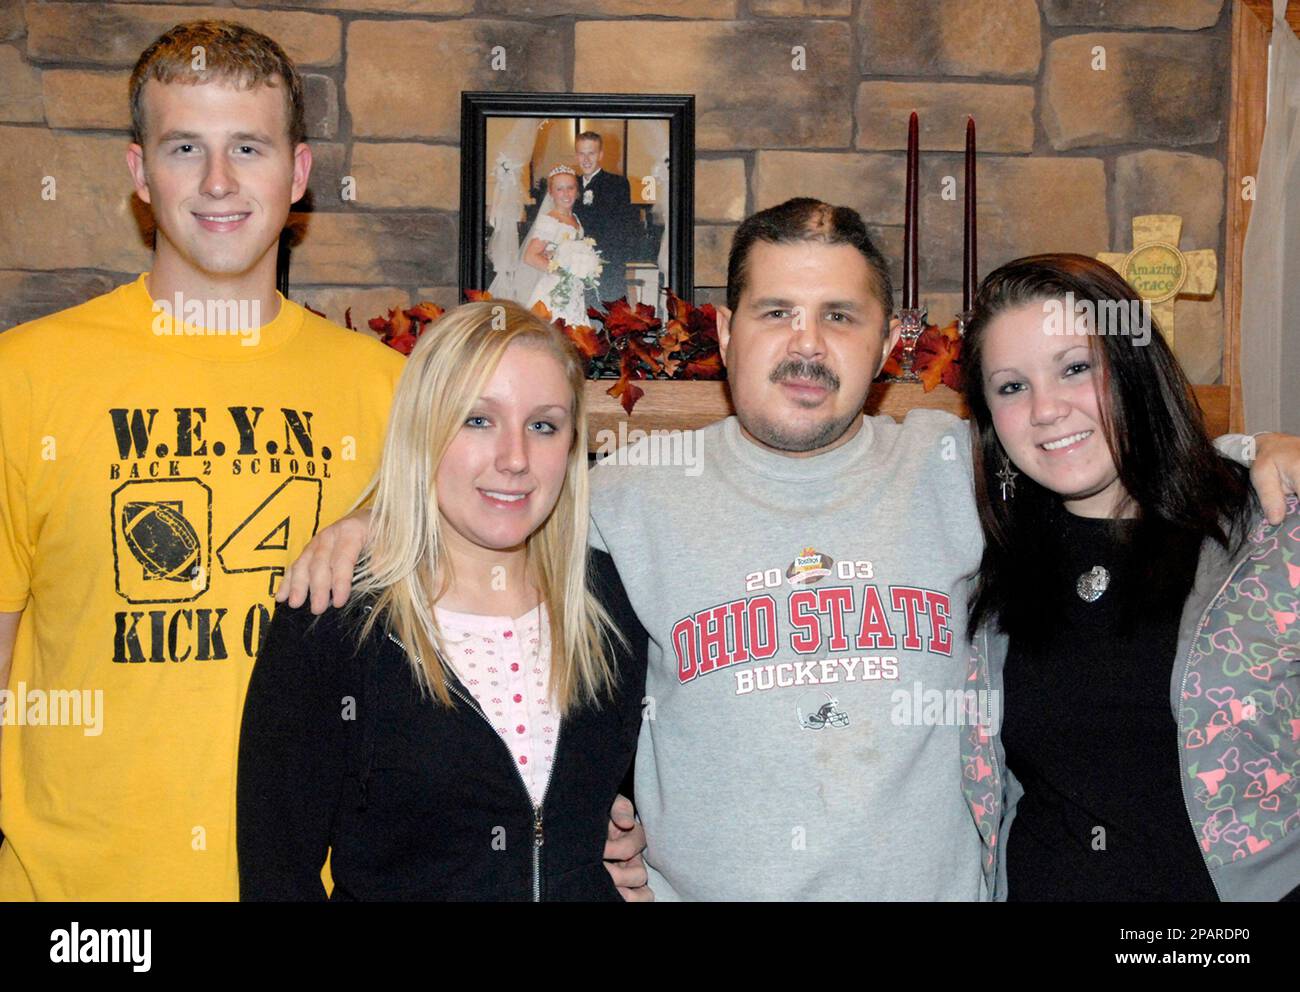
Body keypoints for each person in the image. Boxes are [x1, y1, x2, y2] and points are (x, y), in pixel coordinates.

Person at [279, 199, 1300, 901]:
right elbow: (492, 482)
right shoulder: (627, 492)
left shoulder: (960, 469)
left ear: (891, 341)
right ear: (725, 332)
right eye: (775, 312)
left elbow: (1112, 447)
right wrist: (374, 516)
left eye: (838, 317)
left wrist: (1264, 452)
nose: (805, 345)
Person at [0, 18, 646, 901]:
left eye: (250, 148)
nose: (219, 181)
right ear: (138, 172)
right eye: (185, 145)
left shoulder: (399, 397)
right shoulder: (23, 380)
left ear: (299, 174)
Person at [238, 301, 648, 901]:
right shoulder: (332, 617)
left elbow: (633, 807)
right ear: (423, 430)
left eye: (543, 425)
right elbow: (277, 876)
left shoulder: (614, 603)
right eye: (478, 421)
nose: (514, 459)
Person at [959, 253, 1300, 902]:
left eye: (1076, 368)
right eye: (1011, 387)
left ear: (1134, 366)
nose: (1046, 409)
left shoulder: (1270, 528)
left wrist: (1259, 450)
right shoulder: (986, 556)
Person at [517, 166, 596, 327]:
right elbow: (530, 256)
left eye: (570, 188)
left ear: (577, 191)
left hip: (573, 288)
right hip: (556, 289)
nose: (566, 194)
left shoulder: (575, 218)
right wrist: (562, 272)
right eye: (560, 189)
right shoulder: (550, 221)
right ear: (551, 193)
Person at [572, 132, 639, 308]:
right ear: (576, 155)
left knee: (607, 321)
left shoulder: (617, 184)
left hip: (607, 268)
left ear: (600, 155)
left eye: (591, 153)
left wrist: (599, 259)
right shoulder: (570, 185)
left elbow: (623, 228)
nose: (586, 159)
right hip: (574, 267)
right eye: (581, 153)